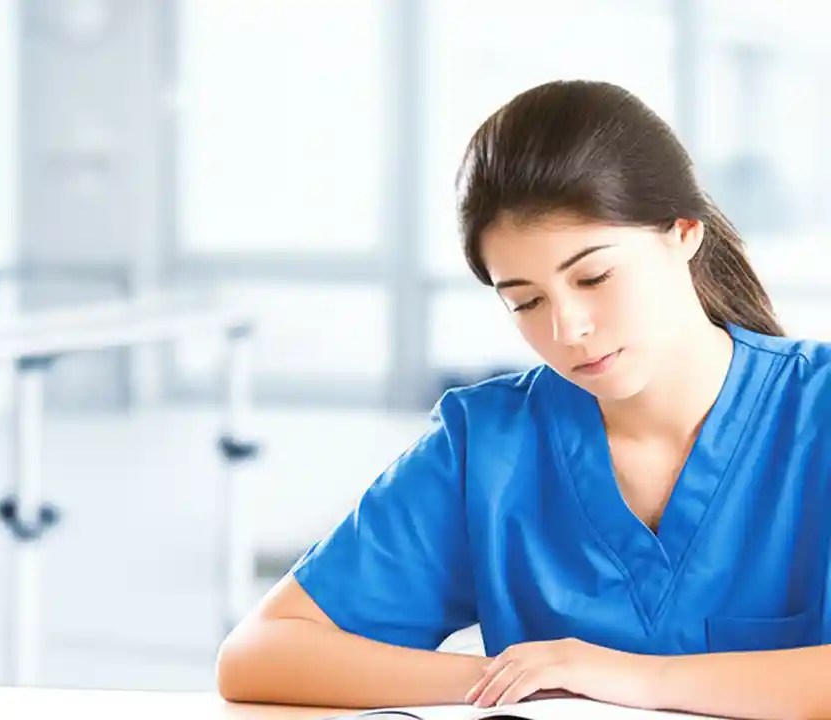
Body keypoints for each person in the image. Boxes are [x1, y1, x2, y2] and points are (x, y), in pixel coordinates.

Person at [215, 80, 831, 719]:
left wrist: (622, 677)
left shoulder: (818, 413)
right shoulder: (487, 446)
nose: (568, 330)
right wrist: (518, 678)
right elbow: (260, 653)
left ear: (682, 233)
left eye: (594, 277)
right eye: (526, 301)